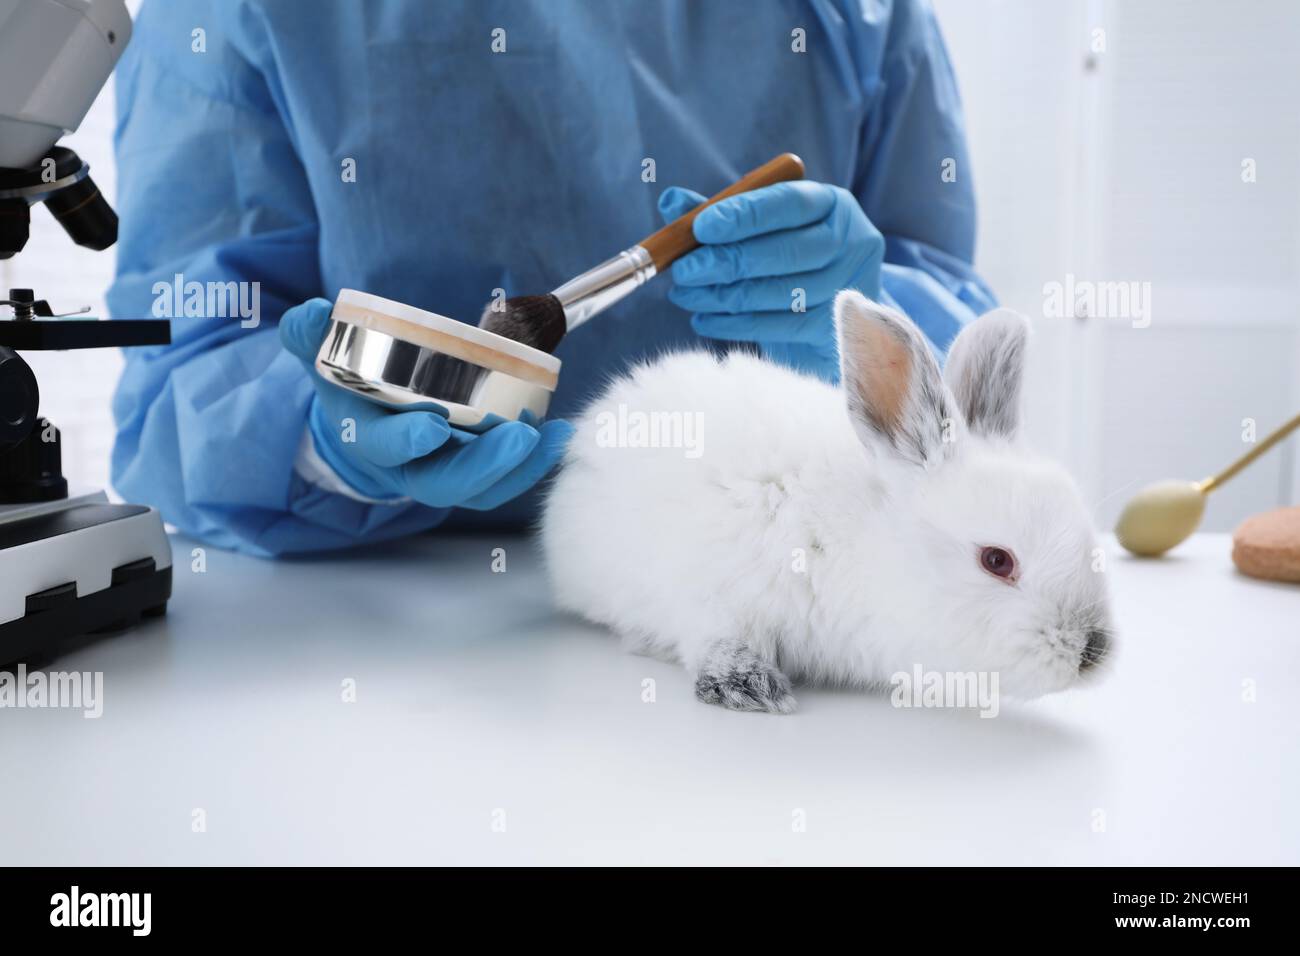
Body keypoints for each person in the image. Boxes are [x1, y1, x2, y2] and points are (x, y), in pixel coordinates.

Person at [108, 0, 995, 556]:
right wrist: (320, 443)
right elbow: (176, 386)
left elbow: (966, 343)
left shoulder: (860, 17)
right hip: (373, 636)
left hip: (782, 584)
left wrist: (857, 332)